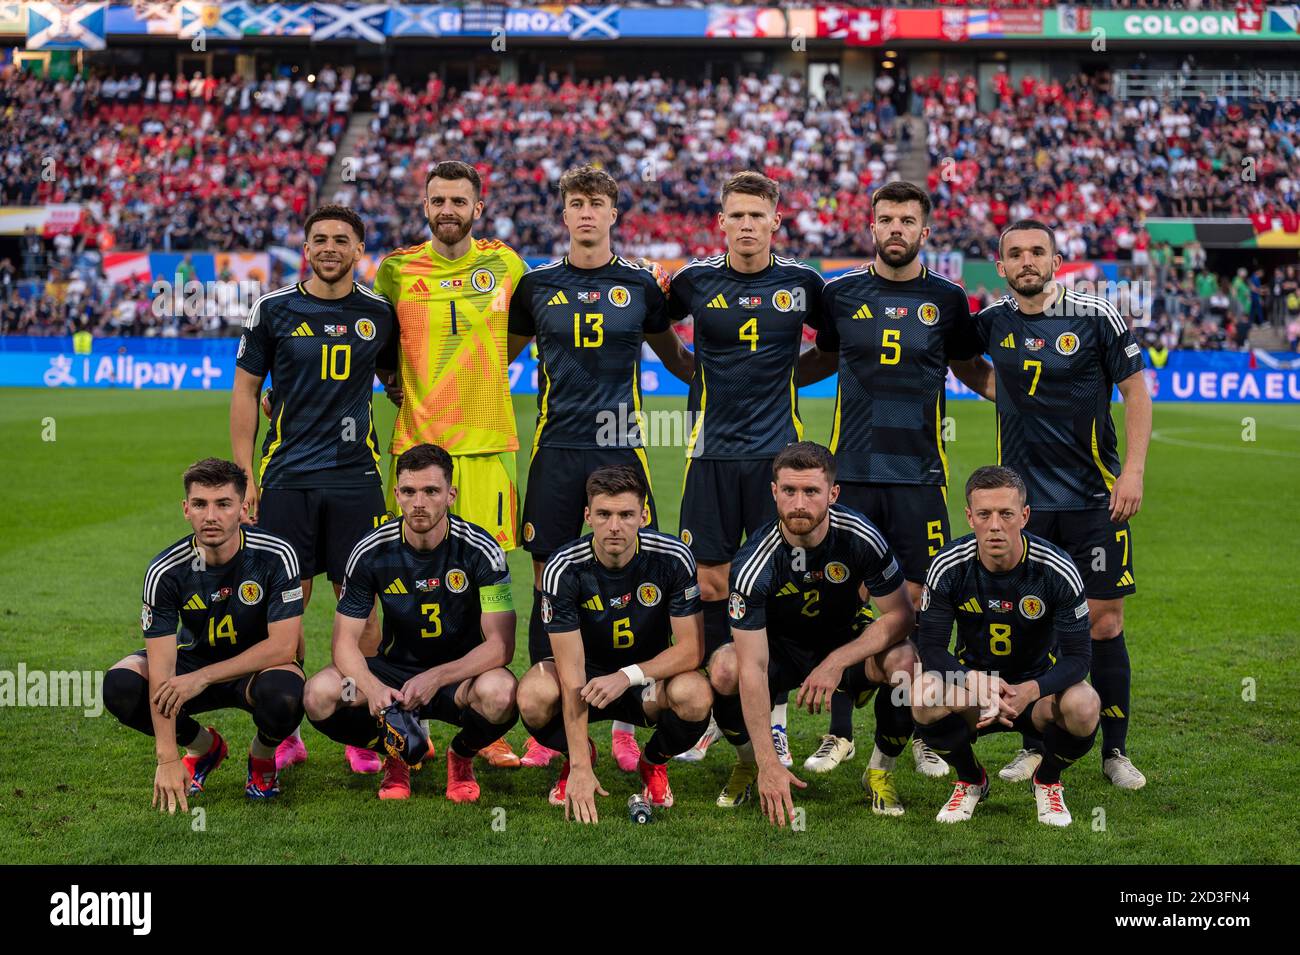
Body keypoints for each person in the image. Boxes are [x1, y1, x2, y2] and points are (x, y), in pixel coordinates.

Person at [801, 180, 994, 776]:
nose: (895, 229)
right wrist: (758, 375)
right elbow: (823, 359)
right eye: (886, 219)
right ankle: (839, 734)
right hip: (851, 475)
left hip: (919, 477)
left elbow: (970, 368)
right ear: (872, 226)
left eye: (907, 221)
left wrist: (1035, 396)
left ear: (924, 230)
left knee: (913, 607)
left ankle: (915, 729)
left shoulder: (949, 299)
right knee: (840, 601)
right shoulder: (840, 294)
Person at [506, 164, 693, 769]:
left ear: (615, 214)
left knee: (636, 572)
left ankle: (631, 715)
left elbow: (681, 361)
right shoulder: (534, 287)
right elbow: (490, 362)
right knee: (547, 583)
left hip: (620, 448)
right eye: (576, 203)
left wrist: (744, 378)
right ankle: (554, 729)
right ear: (563, 214)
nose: (586, 213)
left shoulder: (641, 286)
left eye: (597, 204)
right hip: (556, 450)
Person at [973, 219, 1151, 790]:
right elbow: (957, 359)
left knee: (1104, 623)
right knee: (1034, 624)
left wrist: (1133, 473)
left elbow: (1137, 392)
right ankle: (1034, 744)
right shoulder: (992, 322)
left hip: (1095, 499)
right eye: (1016, 254)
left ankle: (1115, 752)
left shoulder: (1097, 316)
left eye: (1038, 252)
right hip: (1023, 508)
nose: (1027, 261)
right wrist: (1005, 394)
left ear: (1055, 260)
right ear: (1001, 267)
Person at [667, 170, 828, 768]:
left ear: (774, 221)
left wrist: (789, 377)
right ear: (722, 222)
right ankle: (715, 715)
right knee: (711, 585)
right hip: (708, 454)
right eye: (736, 215)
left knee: (772, 587)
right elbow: (660, 330)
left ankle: (775, 718)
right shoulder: (693, 282)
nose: (747, 225)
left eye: (757, 215)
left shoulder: (802, 283)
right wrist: (690, 370)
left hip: (776, 460)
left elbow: (830, 347)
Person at [374, 159, 529, 767]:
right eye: (437, 200)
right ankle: (399, 709)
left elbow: (519, 333)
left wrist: (487, 363)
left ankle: (478, 724)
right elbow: (376, 339)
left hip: (487, 444)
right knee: (407, 581)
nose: (447, 210)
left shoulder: (506, 263)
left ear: (477, 208)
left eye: (458, 201)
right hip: (418, 449)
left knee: (484, 583)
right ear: (426, 206)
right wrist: (394, 381)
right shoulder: (395, 269)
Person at [232, 203, 396, 776]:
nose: (329, 247)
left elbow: (400, 384)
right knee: (288, 604)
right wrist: (245, 473)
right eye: (319, 238)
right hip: (287, 478)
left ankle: (357, 725)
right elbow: (247, 391)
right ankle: (288, 728)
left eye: (341, 239)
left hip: (357, 478)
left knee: (362, 601)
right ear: (306, 249)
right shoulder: (273, 309)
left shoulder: (380, 313)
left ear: (358, 250)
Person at [712, 442, 917, 821]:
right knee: (724, 667)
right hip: (781, 649)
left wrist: (838, 661)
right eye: (789, 491)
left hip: (846, 641)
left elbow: (901, 617)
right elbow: (753, 667)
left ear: (833, 493)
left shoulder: (860, 537)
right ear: (774, 492)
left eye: (811, 491)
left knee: (905, 661)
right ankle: (751, 764)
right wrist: (768, 761)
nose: (799, 503)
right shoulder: (754, 562)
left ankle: (879, 771)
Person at [302, 444, 518, 802]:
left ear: (451, 495)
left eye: (431, 491)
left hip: (459, 676)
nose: (419, 502)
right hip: (393, 673)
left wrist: (437, 677)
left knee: (502, 694)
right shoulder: (369, 550)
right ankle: (396, 751)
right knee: (319, 694)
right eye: (409, 491)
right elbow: (343, 643)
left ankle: (461, 756)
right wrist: (373, 689)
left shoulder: (482, 549)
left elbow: (501, 646)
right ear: (397, 495)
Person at [102, 459, 306, 808]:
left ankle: (261, 755)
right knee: (120, 685)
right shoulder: (165, 570)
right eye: (200, 504)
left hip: (255, 669)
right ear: (186, 509)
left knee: (286, 695)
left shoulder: (276, 554)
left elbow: (284, 647)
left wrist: (203, 678)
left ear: (243, 508)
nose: (210, 516)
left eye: (223, 504)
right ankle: (203, 748)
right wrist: (167, 758)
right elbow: (162, 668)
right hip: (192, 661)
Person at [517, 466, 713, 822]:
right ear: (588, 516)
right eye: (604, 514)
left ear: (644, 515)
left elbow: (691, 651)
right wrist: (578, 765)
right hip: (585, 682)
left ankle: (653, 762)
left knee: (695, 695)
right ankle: (580, 758)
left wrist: (627, 675)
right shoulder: (563, 568)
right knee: (532, 695)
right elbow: (571, 671)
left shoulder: (672, 558)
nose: (615, 526)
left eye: (626, 515)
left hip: (645, 682)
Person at [912, 466, 1100, 827]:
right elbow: (931, 648)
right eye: (984, 514)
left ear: (1024, 516)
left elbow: (1079, 659)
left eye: (1006, 514)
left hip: (1037, 693)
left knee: (1085, 704)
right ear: (969, 517)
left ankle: (1047, 780)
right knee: (921, 695)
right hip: (975, 693)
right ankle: (971, 780)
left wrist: (1032, 689)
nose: (995, 525)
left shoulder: (1056, 569)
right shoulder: (947, 566)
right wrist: (973, 680)